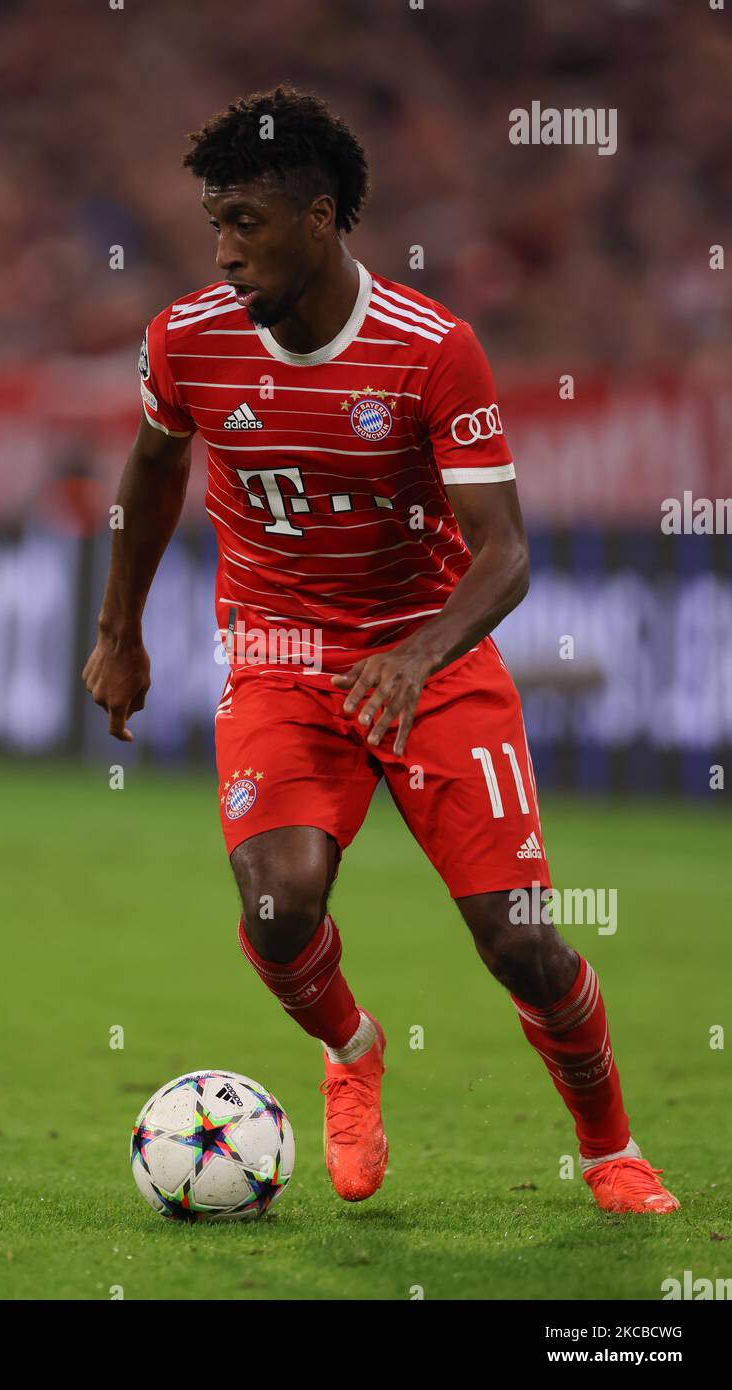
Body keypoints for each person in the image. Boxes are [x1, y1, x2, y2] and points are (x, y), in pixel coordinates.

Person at [83, 85, 678, 1215]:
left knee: (521, 943)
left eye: (245, 223)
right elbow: (153, 470)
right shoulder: (187, 339)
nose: (223, 252)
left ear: (319, 218)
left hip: (431, 661)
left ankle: (610, 1149)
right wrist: (120, 633)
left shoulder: (431, 349)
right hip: (276, 655)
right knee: (278, 907)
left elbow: (505, 554)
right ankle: (351, 1051)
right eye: (214, 224)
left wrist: (417, 655)